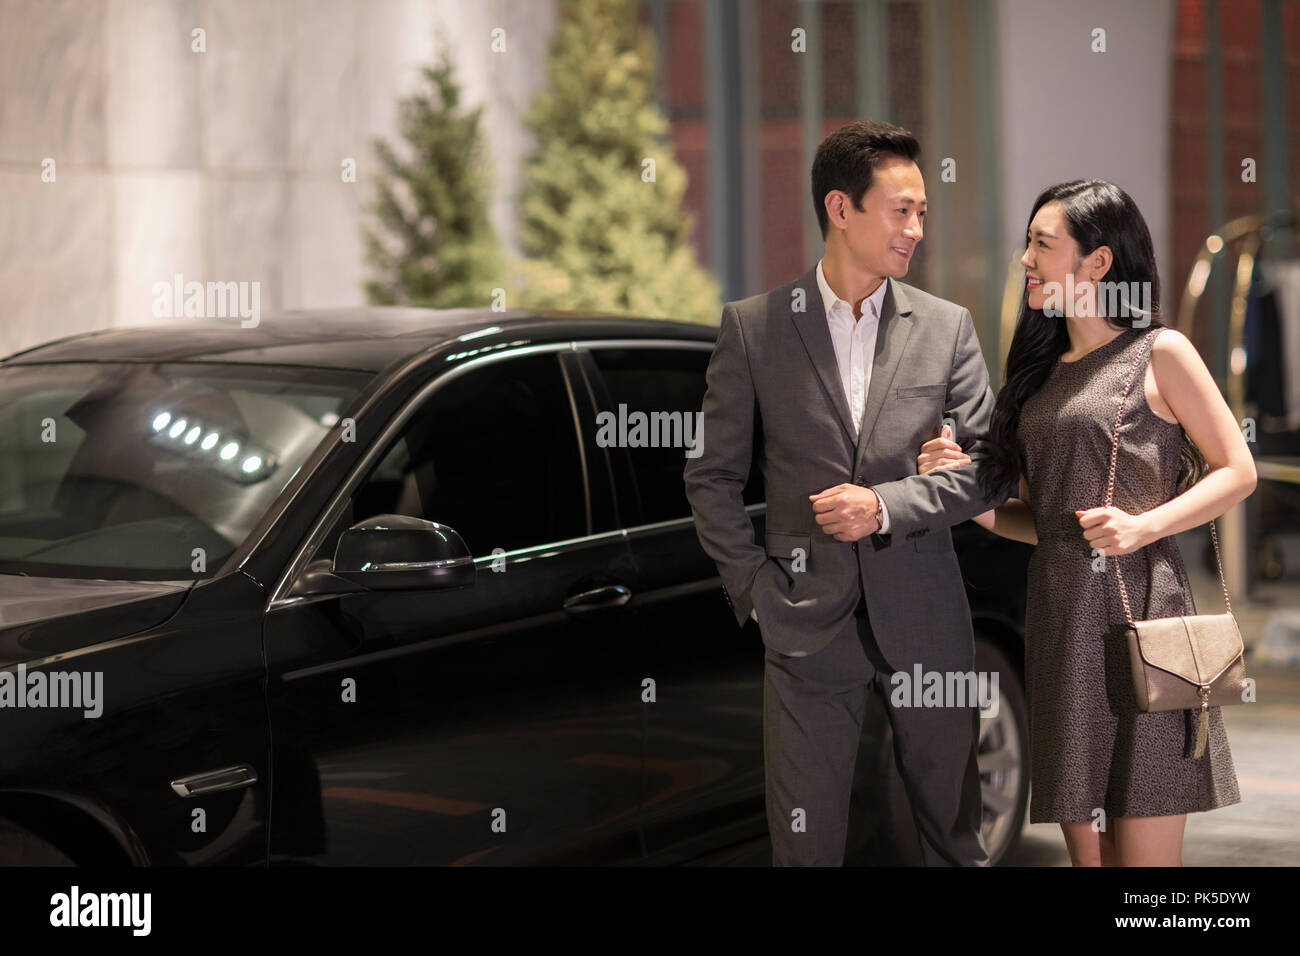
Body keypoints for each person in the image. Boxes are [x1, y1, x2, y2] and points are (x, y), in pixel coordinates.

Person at [684, 120, 1013, 866]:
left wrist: (885, 506)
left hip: (927, 620)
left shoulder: (947, 328)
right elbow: (711, 477)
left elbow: (991, 471)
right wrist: (756, 590)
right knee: (805, 850)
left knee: (954, 841)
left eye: (922, 212)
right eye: (902, 210)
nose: (916, 229)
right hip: (803, 626)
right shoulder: (755, 329)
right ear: (841, 208)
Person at [916, 179, 1253, 866]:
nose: (1027, 260)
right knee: (1088, 862)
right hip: (1061, 628)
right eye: (1028, 244)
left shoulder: (1160, 353)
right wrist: (963, 494)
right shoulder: (1038, 378)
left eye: (1043, 244)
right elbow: (1044, 523)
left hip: (1143, 623)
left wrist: (1143, 526)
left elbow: (1236, 470)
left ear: (1098, 263)